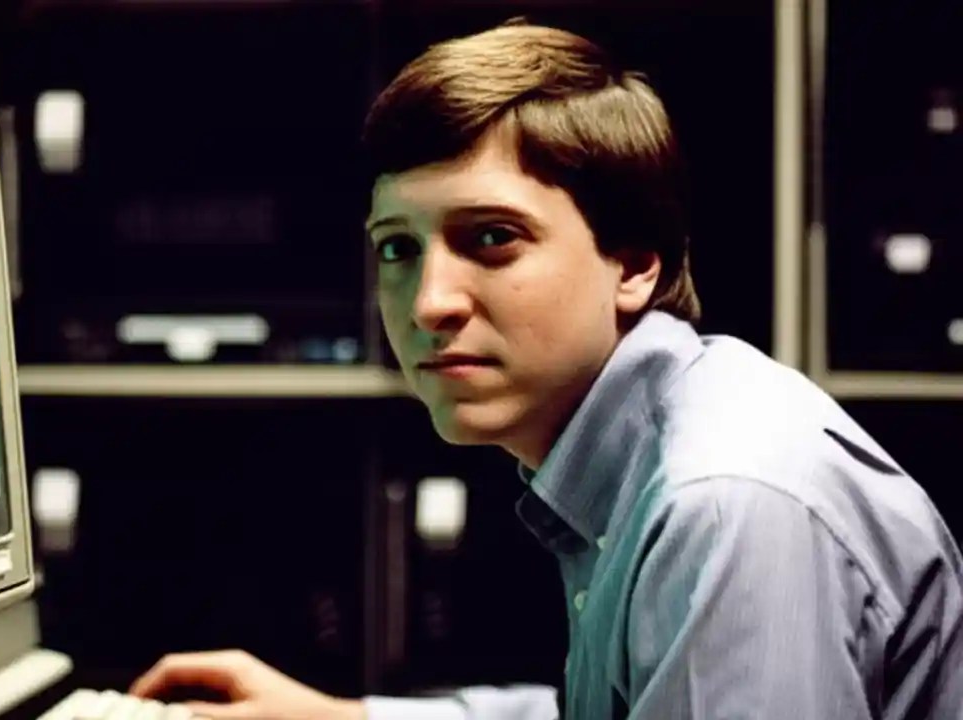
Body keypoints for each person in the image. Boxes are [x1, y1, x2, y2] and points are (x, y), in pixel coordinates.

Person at [128, 18, 963, 720]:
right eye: (397, 249)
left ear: (633, 264)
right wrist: (340, 718)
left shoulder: (724, 504)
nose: (427, 303)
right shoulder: (663, 438)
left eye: (491, 238)